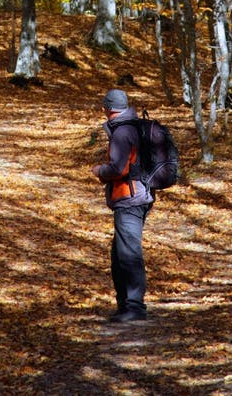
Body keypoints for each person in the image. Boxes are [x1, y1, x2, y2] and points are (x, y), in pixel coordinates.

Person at [92, 87, 153, 323]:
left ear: (106, 109)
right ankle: (125, 305)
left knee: (128, 252)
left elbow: (118, 169)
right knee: (120, 252)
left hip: (130, 198)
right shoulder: (136, 126)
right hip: (140, 195)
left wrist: (99, 171)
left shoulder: (122, 132)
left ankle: (135, 307)